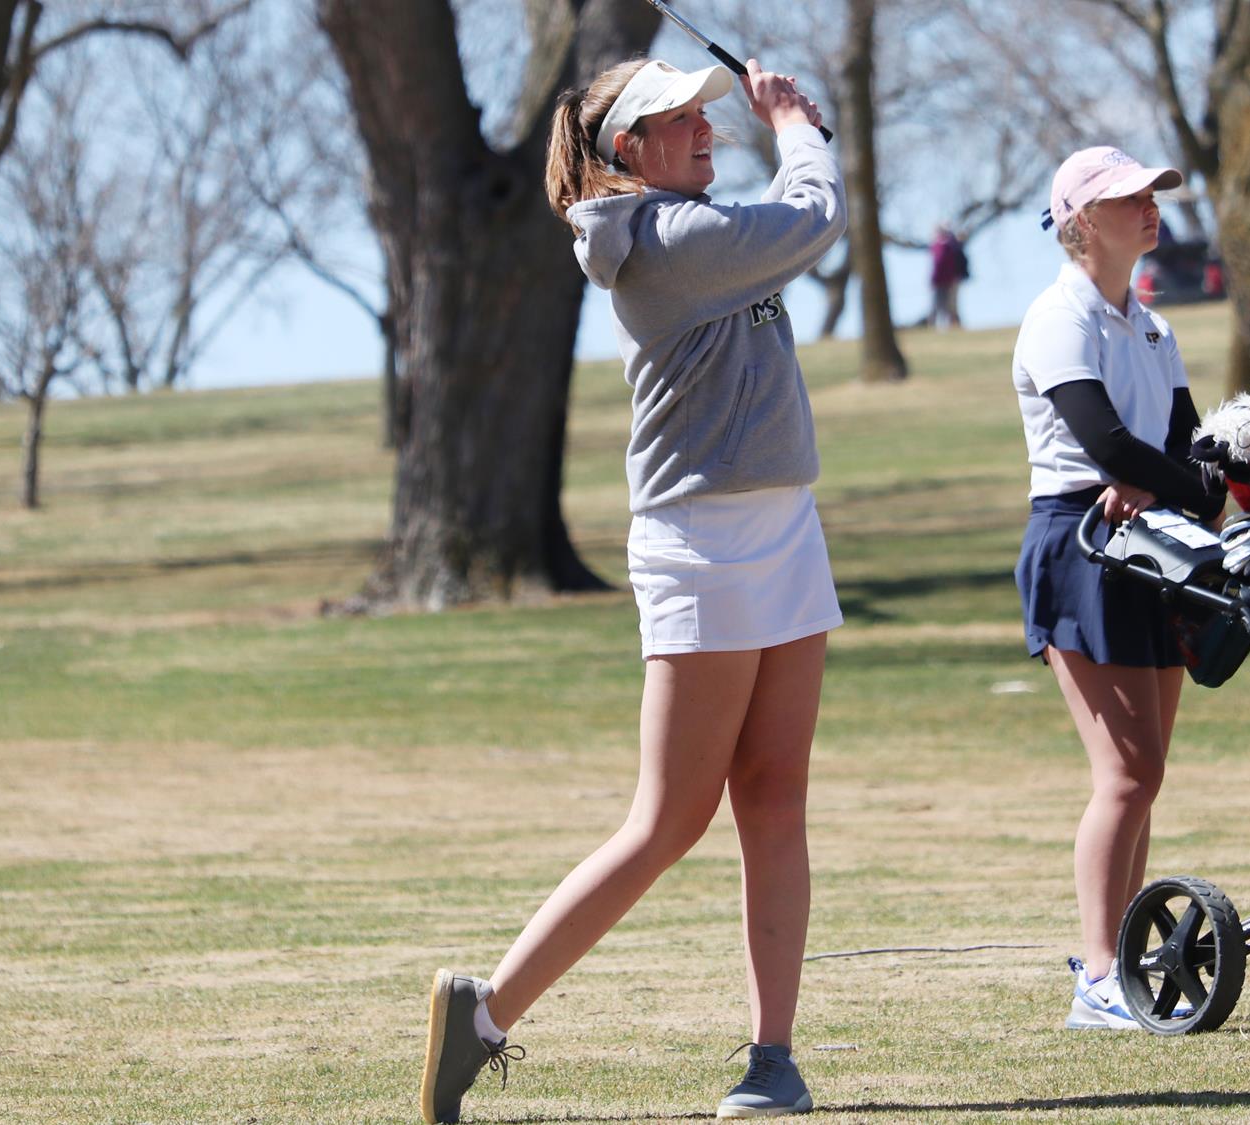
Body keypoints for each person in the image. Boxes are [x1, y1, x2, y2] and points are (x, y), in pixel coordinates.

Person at [417, 57, 843, 1124]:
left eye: (703, 114)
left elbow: (783, 226)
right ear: (628, 151)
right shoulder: (660, 238)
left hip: (784, 529)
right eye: (675, 119)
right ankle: (483, 1011)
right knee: (668, 820)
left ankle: (774, 1059)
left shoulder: (698, 227)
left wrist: (790, 139)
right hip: (700, 545)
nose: (702, 129)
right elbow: (811, 219)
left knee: (774, 798)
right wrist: (795, 128)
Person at [1011, 147, 1224, 1030]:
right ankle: (1099, 976)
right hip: (1081, 544)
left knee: (1148, 773)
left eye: (1151, 193)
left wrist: (1168, 485)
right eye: (1129, 196)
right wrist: (1174, 482)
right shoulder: (1056, 317)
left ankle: (1124, 963)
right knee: (1127, 773)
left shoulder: (1153, 326)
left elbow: (1192, 449)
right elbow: (1105, 444)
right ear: (1082, 221)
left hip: (1152, 543)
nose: (1150, 205)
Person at [928, 223, 968, 329]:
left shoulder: (949, 246)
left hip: (949, 279)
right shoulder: (941, 246)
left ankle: (953, 324)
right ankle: (934, 324)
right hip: (942, 280)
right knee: (939, 304)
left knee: (949, 304)